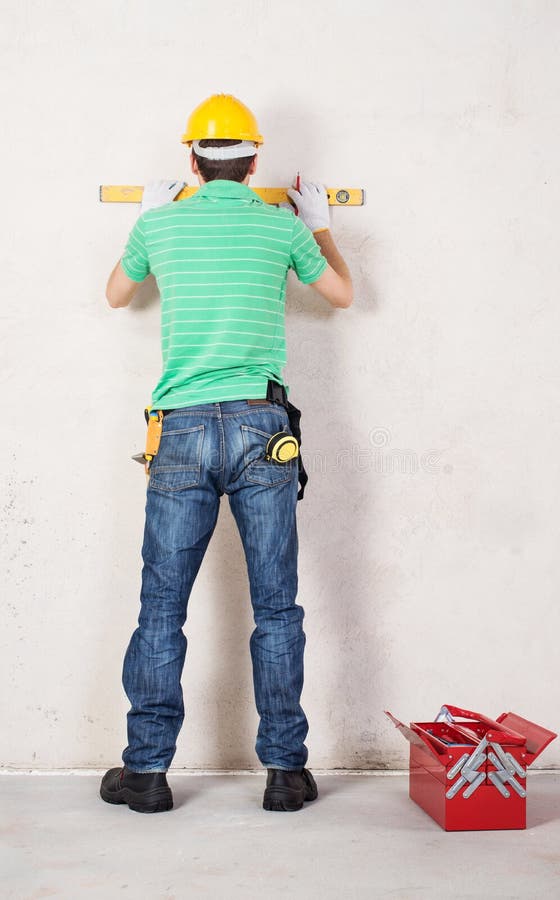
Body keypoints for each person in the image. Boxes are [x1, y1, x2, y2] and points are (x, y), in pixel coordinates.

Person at [99, 94, 352, 814]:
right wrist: (320, 228)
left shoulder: (160, 224)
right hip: (261, 429)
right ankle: (284, 774)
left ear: (191, 160)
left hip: (179, 431)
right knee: (277, 609)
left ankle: (146, 774)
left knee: (159, 611)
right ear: (254, 161)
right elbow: (341, 294)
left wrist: (139, 223)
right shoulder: (280, 229)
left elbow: (117, 294)